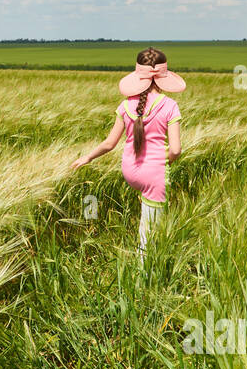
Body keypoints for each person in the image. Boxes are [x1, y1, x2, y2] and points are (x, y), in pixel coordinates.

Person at [71, 47, 186, 252]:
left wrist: (87, 157)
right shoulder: (170, 106)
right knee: (149, 237)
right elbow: (176, 150)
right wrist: (159, 163)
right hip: (153, 174)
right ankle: (144, 276)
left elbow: (109, 143)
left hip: (130, 171)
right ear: (161, 77)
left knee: (146, 215)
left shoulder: (125, 106)